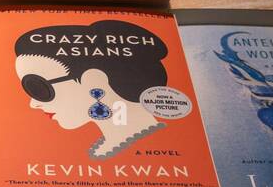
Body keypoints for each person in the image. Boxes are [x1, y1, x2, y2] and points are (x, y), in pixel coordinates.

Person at [13, 19, 171, 160]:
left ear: (93, 80)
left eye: (38, 89)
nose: (33, 104)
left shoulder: (160, 150)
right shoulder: (103, 147)